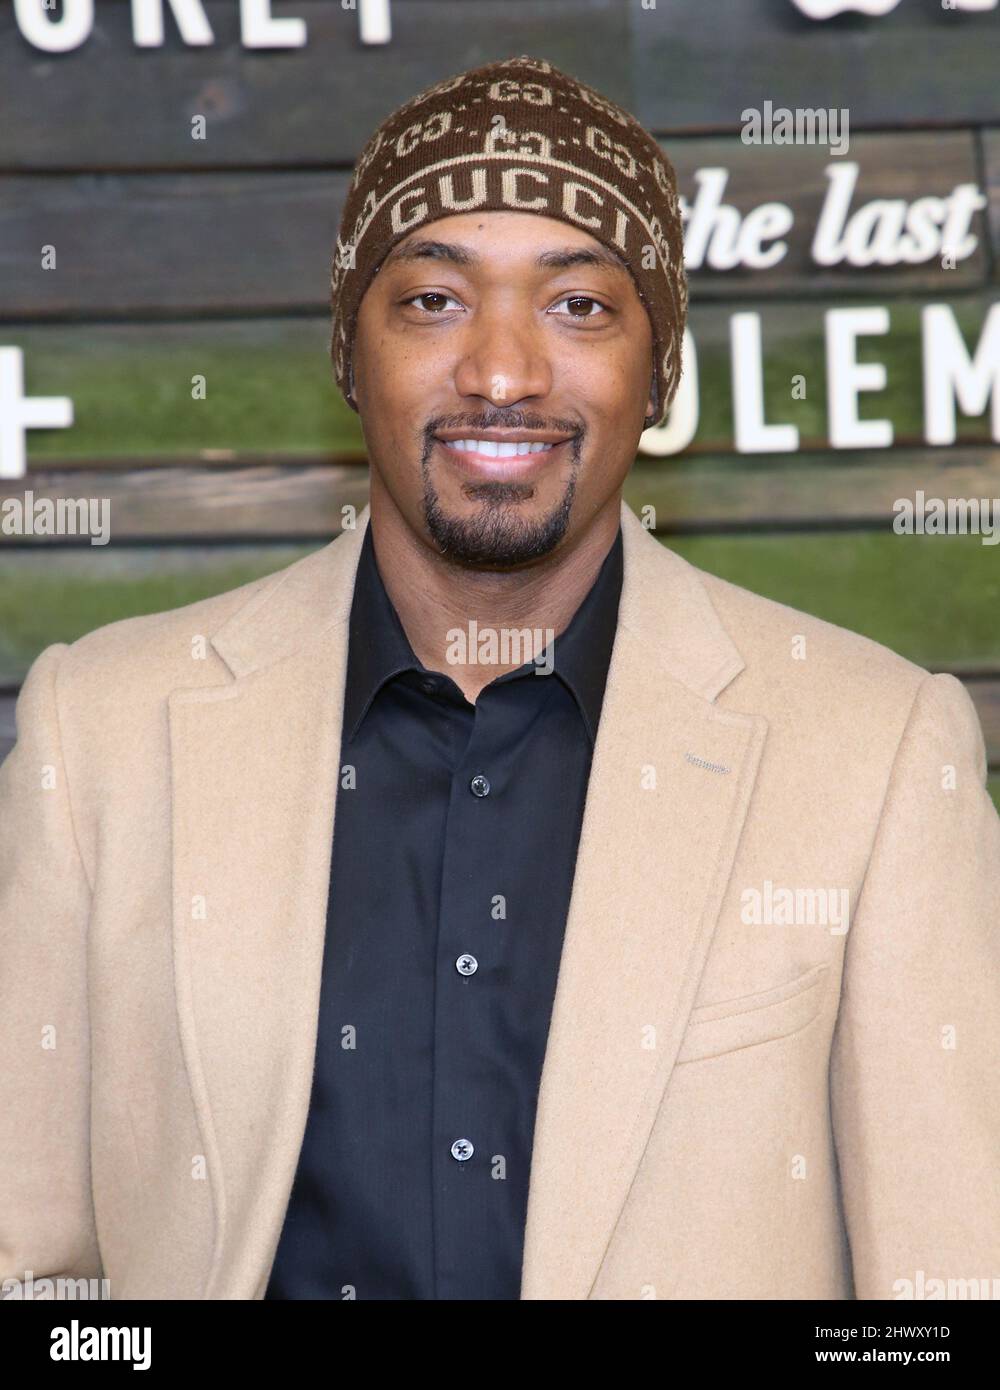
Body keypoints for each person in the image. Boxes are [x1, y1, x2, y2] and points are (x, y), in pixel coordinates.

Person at [1, 55, 998, 1302]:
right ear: (349, 355)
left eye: (579, 305)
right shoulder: (98, 733)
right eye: (431, 299)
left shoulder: (877, 753)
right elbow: (39, 1288)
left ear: (659, 369)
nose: (503, 371)